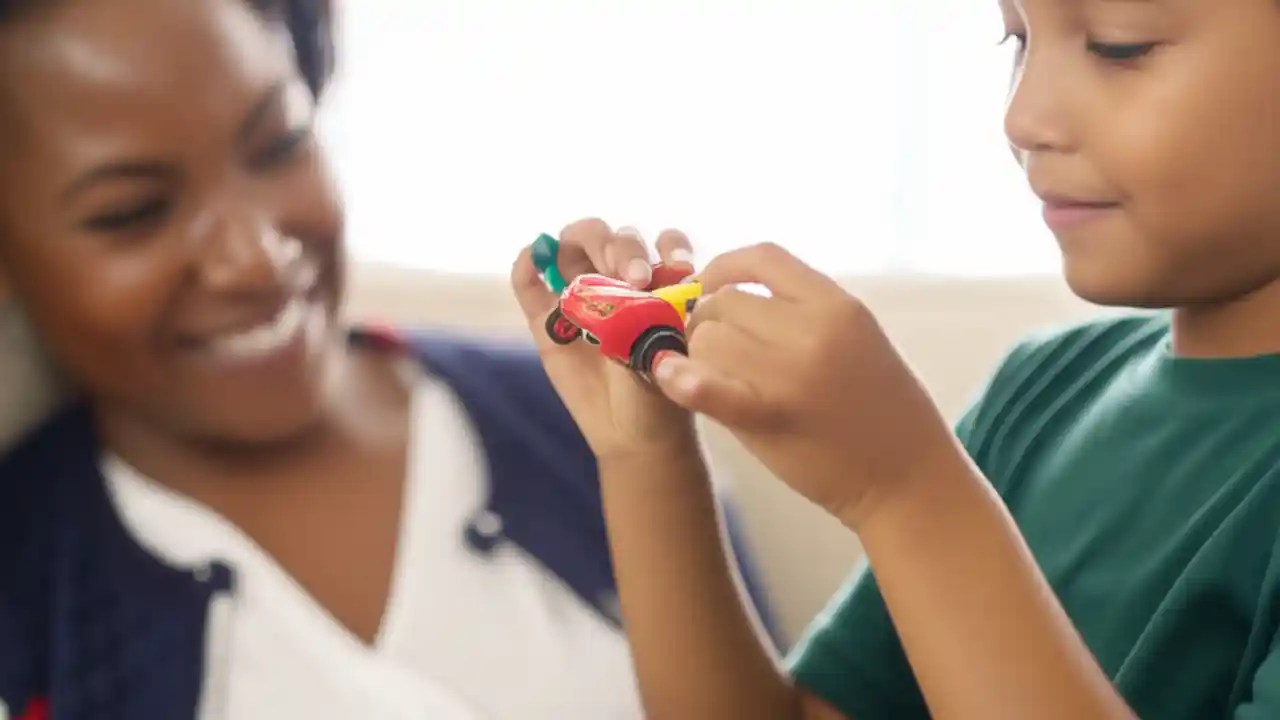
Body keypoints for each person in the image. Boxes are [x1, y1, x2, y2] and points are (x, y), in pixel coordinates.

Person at [0, 1, 776, 718]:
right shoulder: (26, 593)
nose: (257, 259)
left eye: (281, 145)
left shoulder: (600, 424)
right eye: (133, 212)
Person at [512, 0, 1280, 717]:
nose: (1022, 117)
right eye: (1017, 39)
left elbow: (914, 497)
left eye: (1120, 45)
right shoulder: (1045, 392)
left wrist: (909, 494)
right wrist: (646, 459)